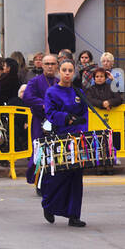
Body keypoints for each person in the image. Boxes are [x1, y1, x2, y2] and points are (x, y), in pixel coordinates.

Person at [40, 58, 89, 227]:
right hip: (60, 138)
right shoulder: (52, 92)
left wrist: (81, 132)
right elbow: (50, 113)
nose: (67, 73)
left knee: (76, 178)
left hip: (77, 139)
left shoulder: (78, 92)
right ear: (59, 72)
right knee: (58, 176)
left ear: (74, 72)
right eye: (64, 70)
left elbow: (85, 114)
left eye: (70, 70)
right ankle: (48, 205)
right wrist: (65, 118)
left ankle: (74, 215)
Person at [22, 54, 58, 186]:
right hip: (40, 121)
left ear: (56, 66)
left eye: (52, 64)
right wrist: (43, 104)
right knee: (39, 151)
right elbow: (27, 97)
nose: (49, 66)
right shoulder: (35, 81)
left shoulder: (59, 81)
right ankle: (38, 179)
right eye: (47, 64)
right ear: (42, 65)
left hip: (57, 122)